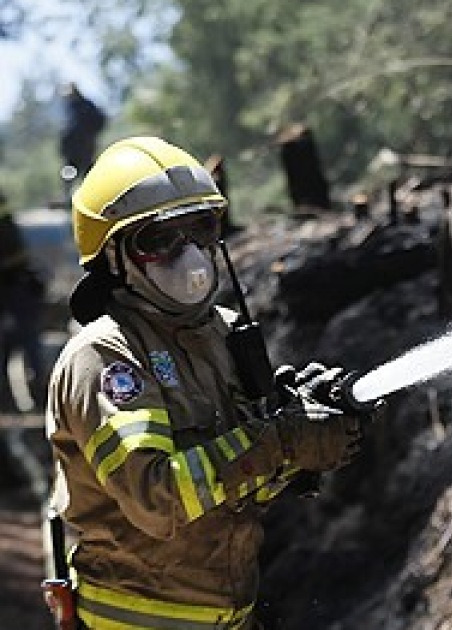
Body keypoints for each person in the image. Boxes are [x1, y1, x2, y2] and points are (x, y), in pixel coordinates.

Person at [45, 136, 365, 629]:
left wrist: (304, 431)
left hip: (228, 616)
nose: (189, 254)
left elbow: (234, 487)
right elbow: (157, 499)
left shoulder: (219, 334)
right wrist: (278, 442)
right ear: (113, 258)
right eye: (158, 240)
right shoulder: (106, 357)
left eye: (200, 228)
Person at [0, 189, 47, 410]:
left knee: (26, 346)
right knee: (27, 347)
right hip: (17, 293)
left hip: (15, 293)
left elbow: (16, 258)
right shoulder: (8, 222)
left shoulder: (6, 225)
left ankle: (35, 396)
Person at [59, 83, 108, 190]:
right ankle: (68, 198)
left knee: (88, 174)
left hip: (85, 147)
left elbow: (100, 120)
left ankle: (93, 196)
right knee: (69, 173)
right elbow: (68, 129)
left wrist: (90, 134)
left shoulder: (87, 106)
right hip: (72, 150)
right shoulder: (70, 108)